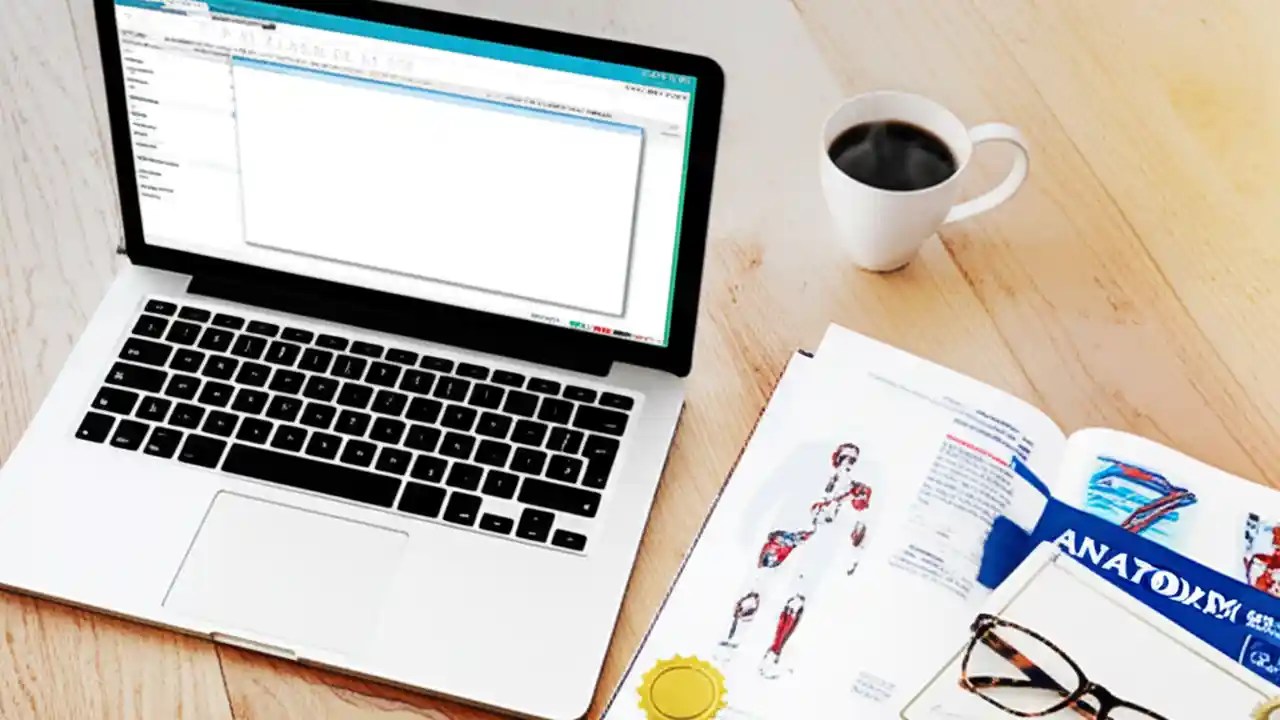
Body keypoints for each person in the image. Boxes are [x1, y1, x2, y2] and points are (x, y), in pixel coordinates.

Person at [717, 442, 873, 678]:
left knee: (796, 600)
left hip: (817, 545)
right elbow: (774, 492)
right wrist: (752, 521)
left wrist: (854, 556)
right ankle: (730, 643)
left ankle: (773, 653)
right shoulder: (810, 477)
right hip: (788, 535)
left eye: (852, 460)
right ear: (835, 457)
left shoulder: (855, 489)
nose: (847, 463)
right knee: (755, 591)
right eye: (844, 457)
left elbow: (860, 523)